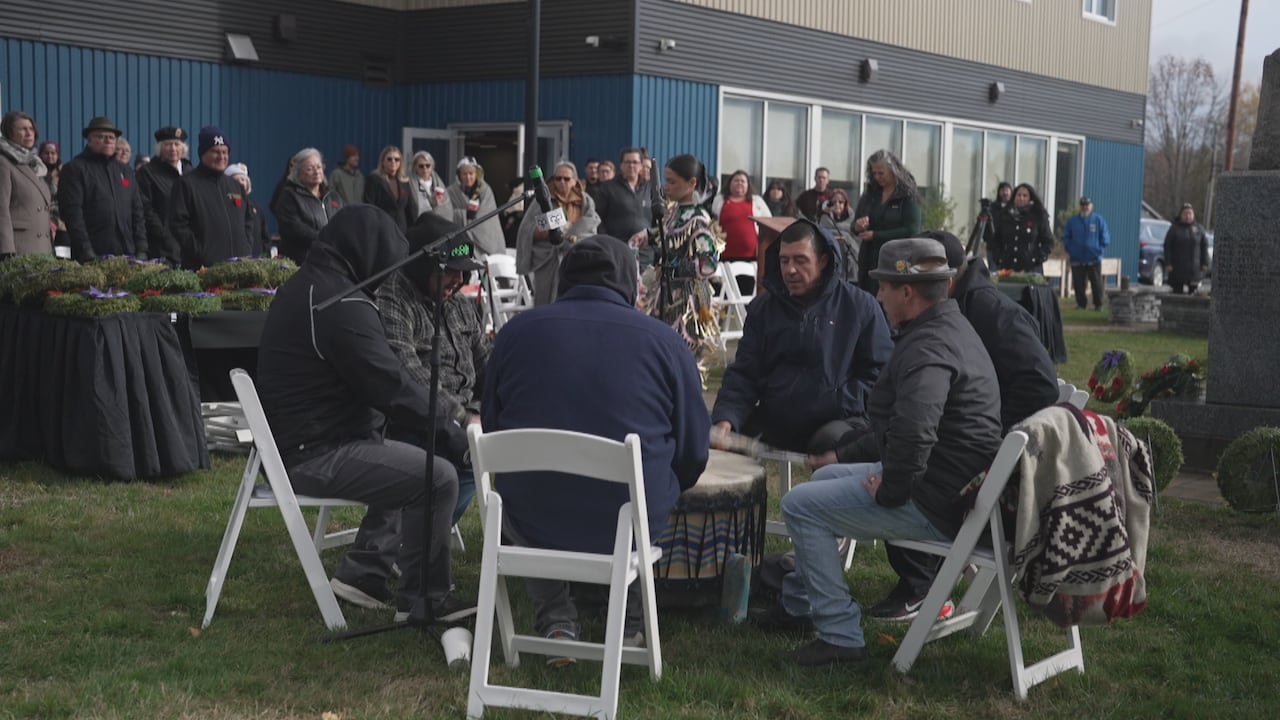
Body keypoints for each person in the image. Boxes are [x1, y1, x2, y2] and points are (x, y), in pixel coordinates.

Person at [753, 237, 1002, 667]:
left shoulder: (929, 346)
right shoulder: (947, 328)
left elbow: (914, 433)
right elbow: (901, 426)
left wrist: (890, 488)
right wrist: (842, 456)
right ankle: (799, 605)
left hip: (940, 501)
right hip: (951, 485)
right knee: (824, 480)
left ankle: (839, 635)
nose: (879, 295)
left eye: (884, 286)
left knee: (799, 505)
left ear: (907, 291)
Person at [482, 234, 710, 648]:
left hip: (532, 514)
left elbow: (494, 426)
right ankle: (629, 620)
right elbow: (693, 450)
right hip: (627, 514)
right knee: (649, 490)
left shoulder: (515, 332)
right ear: (628, 282)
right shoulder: (664, 341)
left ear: (565, 277)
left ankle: (555, 617)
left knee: (531, 485)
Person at [257, 205, 475, 622]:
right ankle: (424, 602)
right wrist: (453, 432)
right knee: (438, 477)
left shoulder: (314, 285)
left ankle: (369, 574)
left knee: (415, 452)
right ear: (367, 252)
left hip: (307, 440)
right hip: (314, 453)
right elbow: (390, 384)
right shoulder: (340, 303)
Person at [863, 230, 1060, 622]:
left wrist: (992, 431)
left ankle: (919, 585)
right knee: (899, 447)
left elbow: (1042, 385)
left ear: (946, 280)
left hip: (986, 451)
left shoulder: (990, 310)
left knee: (912, 459)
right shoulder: (953, 309)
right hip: (955, 428)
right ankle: (919, 581)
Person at [711, 218, 892, 455]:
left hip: (838, 419)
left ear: (823, 261)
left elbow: (879, 377)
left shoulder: (861, 307)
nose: (790, 270)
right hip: (776, 417)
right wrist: (726, 419)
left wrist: (831, 401)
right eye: (784, 261)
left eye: (800, 260)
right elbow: (745, 372)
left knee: (832, 440)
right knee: (709, 431)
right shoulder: (763, 309)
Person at [377, 214, 489, 526]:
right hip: (418, 419)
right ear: (425, 267)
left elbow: (486, 362)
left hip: (469, 416)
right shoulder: (393, 297)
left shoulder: (460, 303)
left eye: (464, 272)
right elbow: (407, 371)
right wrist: (463, 418)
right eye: (451, 271)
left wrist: (496, 403)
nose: (459, 280)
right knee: (469, 456)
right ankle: (414, 536)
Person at [644, 154, 721, 369]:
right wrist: (646, 236)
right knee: (662, 355)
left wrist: (671, 269)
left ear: (691, 183)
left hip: (689, 300)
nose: (666, 187)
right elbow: (667, 239)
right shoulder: (674, 213)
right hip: (667, 295)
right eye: (666, 181)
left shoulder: (698, 219)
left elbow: (708, 265)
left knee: (683, 357)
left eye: (672, 182)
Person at [58, 116, 147, 260]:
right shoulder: (75, 169)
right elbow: (72, 213)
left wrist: (142, 248)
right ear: (89, 140)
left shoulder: (125, 171)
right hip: (93, 254)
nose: (108, 141)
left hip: (127, 252)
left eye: (111, 137)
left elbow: (137, 211)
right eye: (100, 137)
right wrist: (85, 249)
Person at [516, 161, 600, 305]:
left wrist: (572, 233)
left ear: (574, 181)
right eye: (558, 178)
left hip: (576, 260)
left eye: (566, 179)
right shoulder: (542, 200)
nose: (562, 182)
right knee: (545, 301)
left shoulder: (585, 201)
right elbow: (527, 229)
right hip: (547, 260)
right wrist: (553, 231)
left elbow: (590, 228)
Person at [167, 126, 252, 268]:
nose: (221, 157)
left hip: (238, 267)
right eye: (215, 152)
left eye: (225, 152)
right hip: (203, 269)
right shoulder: (186, 184)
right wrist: (202, 252)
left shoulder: (235, 186)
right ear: (203, 153)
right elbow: (178, 225)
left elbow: (248, 220)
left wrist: (246, 247)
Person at [853, 150, 922, 295]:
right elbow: (855, 224)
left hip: (897, 260)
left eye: (881, 173)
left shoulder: (907, 195)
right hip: (869, 260)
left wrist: (876, 235)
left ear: (893, 170)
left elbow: (912, 230)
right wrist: (858, 226)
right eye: (874, 173)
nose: (877, 177)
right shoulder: (870, 193)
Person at [593, 147, 662, 270]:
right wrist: (607, 244)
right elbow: (597, 219)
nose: (631, 166)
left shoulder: (651, 189)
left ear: (641, 165)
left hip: (645, 254)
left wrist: (655, 247)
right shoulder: (608, 188)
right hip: (618, 252)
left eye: (635, 162)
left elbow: (659, 220)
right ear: (621, 165)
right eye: (627, 162)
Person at [275, 147, 343, 264]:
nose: (316, 172)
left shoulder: (332, 195)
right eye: (310, 169)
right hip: (303, 260)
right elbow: (294, 229)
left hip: (332, 259)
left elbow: (344, 220)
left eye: (319, 167)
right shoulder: (289, 196)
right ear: (298, 173)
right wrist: (325, 238)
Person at [136, 126, 192, 265]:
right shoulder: (148, 173)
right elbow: (145, 208)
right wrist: (164, 233)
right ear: (160, 148)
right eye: (167, 144)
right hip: (161, 246)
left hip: (188, 245)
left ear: (183, 148)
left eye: (177, 144)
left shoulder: (191, 172)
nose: (173, 149)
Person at [1, 110, 53, 258]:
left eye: (31, 129)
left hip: (43, 249)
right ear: (9, 133)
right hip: (19, 248)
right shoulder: (4, 162)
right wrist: (6, 251)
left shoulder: (36, 164)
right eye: (23, 129)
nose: (29, 133)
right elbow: (1, 209)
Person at [711, 169, 771, 294]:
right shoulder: (719, 200)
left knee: (746, 291)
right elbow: (713, 223)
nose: (739, 183)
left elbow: (769, 222)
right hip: (724, 255)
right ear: (730, 184)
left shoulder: (757, 201)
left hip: (750, 256)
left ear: (748, 185)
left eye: (743, 181)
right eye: (736, 181)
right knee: (724, 291)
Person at [446, 156, 504, 256]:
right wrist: (465, 214)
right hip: (461, 240)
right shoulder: (451, 192)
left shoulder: (485, 190)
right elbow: (447, 213)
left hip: (487, 239)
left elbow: (488, 214)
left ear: (476, 174)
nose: (468, 177)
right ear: (459, 176)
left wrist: (473, 217)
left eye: (471, 173)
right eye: (464, 174)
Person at [990, 182, 1053, 273]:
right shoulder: (1005, 216)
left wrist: (1036, 258)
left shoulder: (1038, 216)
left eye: (1025, 196)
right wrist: (999, 258)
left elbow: (1048, 242)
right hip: (1008, 268)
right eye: (1018, 195)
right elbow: (996, 240)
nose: (1021, 198)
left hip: (1031, 269)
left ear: (1030, 198)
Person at [1061, 196, 1111, 310]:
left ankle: (1098, 304)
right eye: (1083, 205)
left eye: (1087, 205)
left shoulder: (1098, 220)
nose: (1085, 207)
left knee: (1096, 282)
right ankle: (1081, 304)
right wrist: (1070, 249)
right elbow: (1066, 236)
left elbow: (1105, 236)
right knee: (1078, 283)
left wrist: (1099, 249)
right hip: (1077, 257)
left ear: (1091, 206)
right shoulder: (1072, 221)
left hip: (1094, 257)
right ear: (1080, 206)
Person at [225, 163, 271, 257]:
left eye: (243, 179)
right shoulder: (226, 203)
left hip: (257, 256)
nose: (241, 183)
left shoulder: (254, 204)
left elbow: (264, 232)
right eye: (236, 180)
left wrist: (266, 251)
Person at [1163, 203, 1209, 294]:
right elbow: (1167, 246)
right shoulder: (1174, 228)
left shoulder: (1199, 229)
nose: (1187, 216)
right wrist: (1168, 263)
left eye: (1190, 213)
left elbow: (1204, 246)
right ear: (1181, 215)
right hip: (1177, 268)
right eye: (1185, 214)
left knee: (1193, 293)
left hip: (1194, 269)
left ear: (1193, 215)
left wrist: (1205, 263)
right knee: (1177, 292)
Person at [363, 145, 410, 233]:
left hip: (401, 230)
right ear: (383, 162)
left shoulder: (405, 181)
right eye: (389, 159)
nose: (393, 162)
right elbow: (369, 206)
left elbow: (408, 209)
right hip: (382, 228)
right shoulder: (374, 180)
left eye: (396, 159)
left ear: (400, 162)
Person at [817, 188, 859, 283]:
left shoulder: (854, 222)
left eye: (841, 202)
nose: (837, 205)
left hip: (851, 268)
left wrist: (846, 239)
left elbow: (857, 243)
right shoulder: (824, 220)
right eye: (834, 202)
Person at [406, 151, 453, 224]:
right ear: (415, 167)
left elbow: (446, 207)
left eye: (428, 165)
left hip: (438, 223)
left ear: (432, 167)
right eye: (421, 166)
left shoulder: (439, 183)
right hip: (419, 224)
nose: (425, 169)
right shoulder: (409, 183)